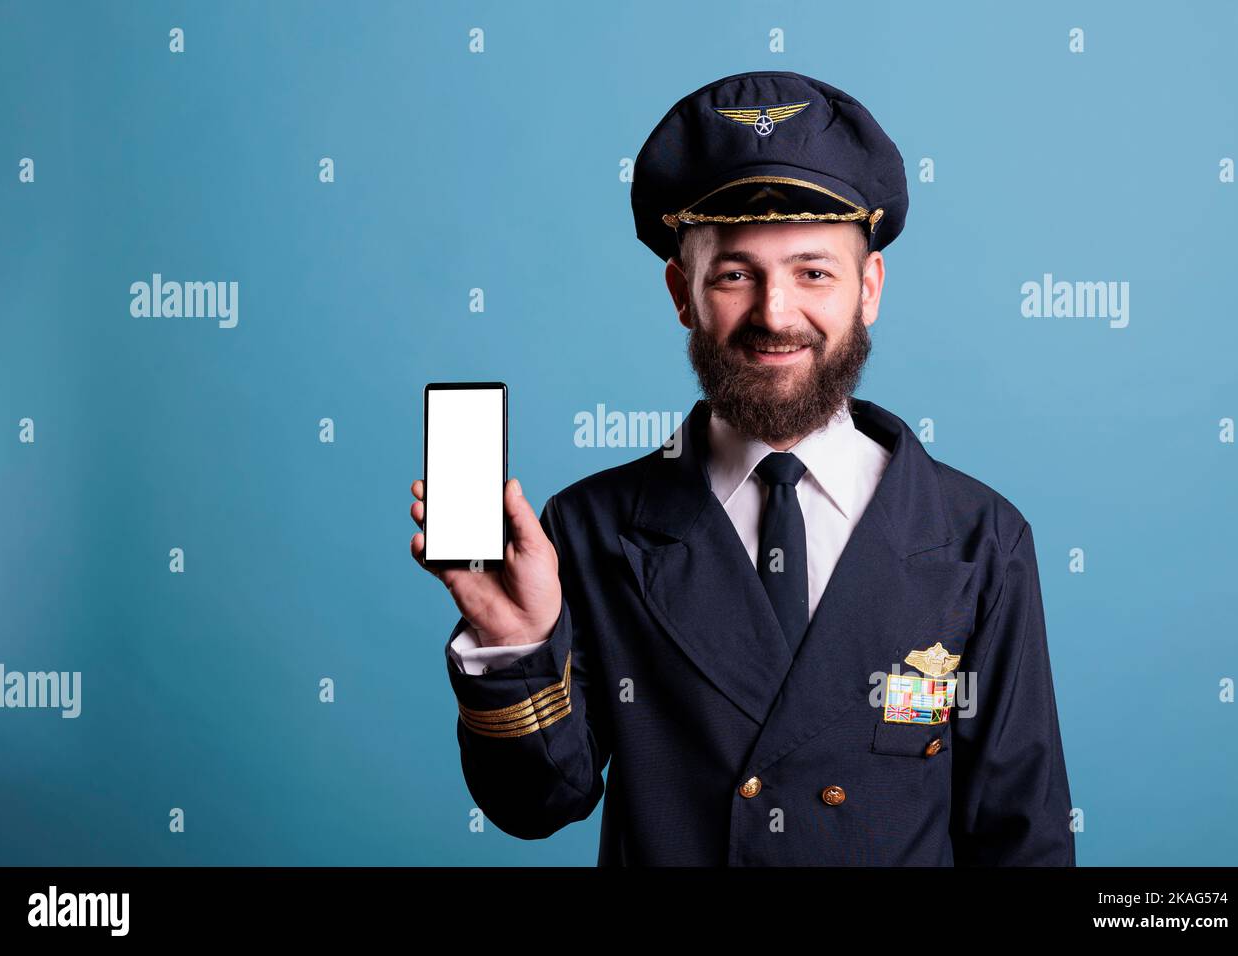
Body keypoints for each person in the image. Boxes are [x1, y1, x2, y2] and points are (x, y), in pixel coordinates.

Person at [409, 70, 1076, 866]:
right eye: (734, 274)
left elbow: (1022, 839)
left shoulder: (979, 538)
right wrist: (514, 646)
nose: (775, 313)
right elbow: (537, 804)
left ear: (868, 289)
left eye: (813, 272)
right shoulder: (587, 529)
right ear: (681, 293)